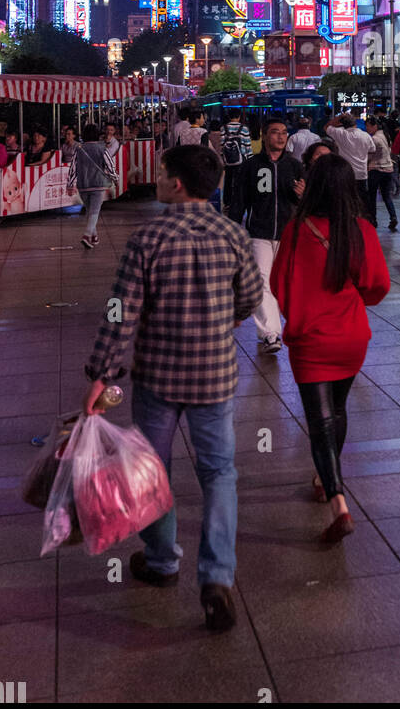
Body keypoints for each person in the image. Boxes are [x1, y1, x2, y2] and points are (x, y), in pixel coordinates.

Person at [82, 145, 264, 633]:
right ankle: (217, 578)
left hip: (158, 379)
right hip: (215, 377)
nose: (158, 179)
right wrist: (221, 322)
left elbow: (121, 311)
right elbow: (250, 297)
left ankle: (162, 561)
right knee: (220, 473)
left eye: (162, 174)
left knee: (154, 471)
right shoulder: (234, 234)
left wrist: (102, 372)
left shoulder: (149, 238)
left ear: (177, 184)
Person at [270, 154, 390, 544]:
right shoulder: (362, 231)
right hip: (352, 336)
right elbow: (377, 287)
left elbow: (277, 283)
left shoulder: (296, 230)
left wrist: (297, 309)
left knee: (319, 421)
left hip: (311, 338)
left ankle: (338, 499)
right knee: (336, 411)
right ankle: (324, 477)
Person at [227, 118, 304, 353]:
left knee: (288, 283)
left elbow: (307, 202)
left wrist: (303, 196)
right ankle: (270, 333)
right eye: (274, 132)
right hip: (258, 233)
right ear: (264, 136)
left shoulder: (295, 165)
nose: (280, 137)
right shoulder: (250, 167)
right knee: (262, 281)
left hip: (289, 233)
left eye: (283, 132)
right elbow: (239, 202)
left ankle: (298, 326)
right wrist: (233, 231)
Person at [69, 123, 117, 250]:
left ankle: (94, 236)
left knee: (90, 211)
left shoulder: (79, 149)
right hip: (97, 184)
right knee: (95, 211)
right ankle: (87, 235)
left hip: (83, 184)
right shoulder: (102, 148)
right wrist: (115, 177)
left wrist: (70, 184)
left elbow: (73, 168)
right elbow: (109, 164)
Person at [324, 112, 375, 211]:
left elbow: (326, 127)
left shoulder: (341, 134)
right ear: (355, 123)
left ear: (342, 124)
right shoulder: (365, 135)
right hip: (362, 174)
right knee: (361, 200)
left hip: (346, 173)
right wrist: (367, 163)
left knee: (346, 200)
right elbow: (372, 151)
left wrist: (338, 117)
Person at [366, 114, 397, 230]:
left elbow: (370, 154)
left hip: (376, 169)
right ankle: (393, 217)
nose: (367, 129)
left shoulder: (374, 139)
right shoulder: (385, 135)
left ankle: (373, 219)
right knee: (386, 196)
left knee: (372, 196)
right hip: (388, 169)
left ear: (374, 126)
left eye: (368, 126)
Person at [219, 109, 253, 209]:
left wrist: (223, 159)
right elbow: (248, 145)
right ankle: (239, 201)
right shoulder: (244, 128)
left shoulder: (223, 128)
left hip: (228, 159)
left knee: (228, 181)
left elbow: (222, 145)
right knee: (241, 181)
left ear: (229, 117)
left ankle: (227, 202)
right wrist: (250, 158)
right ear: (239, 117)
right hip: (241, 159)